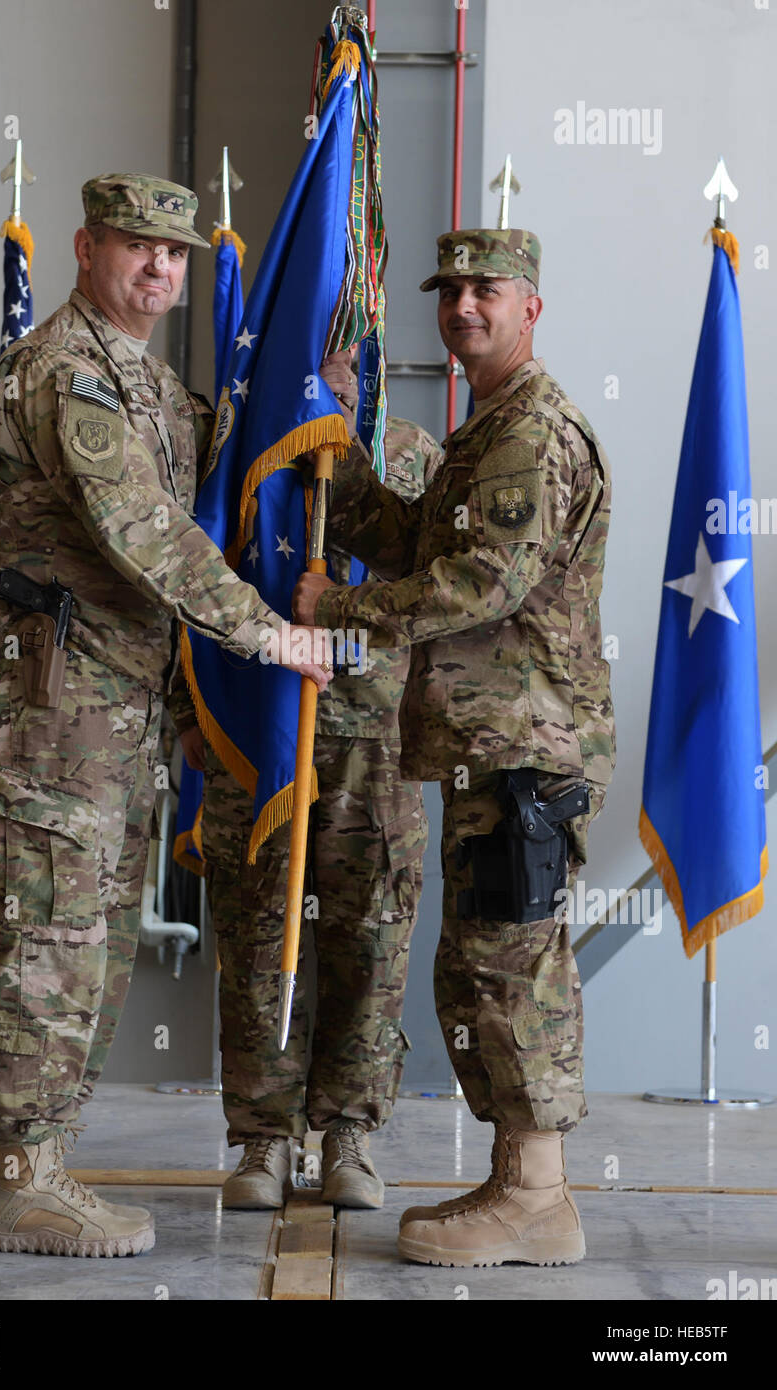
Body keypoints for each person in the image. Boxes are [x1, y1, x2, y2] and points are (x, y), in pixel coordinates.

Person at [0, 172, 331, 1258]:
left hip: (115, 714)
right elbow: (145, 533)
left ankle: (46, 1165)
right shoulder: (65, 372)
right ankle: (20, 1178)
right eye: (137, 248)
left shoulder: (154, 389)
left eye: (176, 257)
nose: (160, 270)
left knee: (97, 943)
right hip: (53, 711)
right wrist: (267, 634)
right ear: (85, 249)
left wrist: (318, 400)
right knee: (49, 939)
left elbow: (232, 473)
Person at [294, 229, 615, 1267]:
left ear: (531, 305)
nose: (464, 306)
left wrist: (336, 604)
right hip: (489, 746)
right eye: (453, 290)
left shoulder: (530, 432)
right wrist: (336, 452)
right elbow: (418, 545)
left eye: (488, 290)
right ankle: (517, 1180)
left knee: (511, 968)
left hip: (524, 742)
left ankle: (537, 1198)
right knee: (482, 963)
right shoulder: (484, 432)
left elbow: (485, 582)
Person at [170, 418, 440, 1211]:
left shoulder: (415, 456)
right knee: (254, 931)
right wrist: (188, 706)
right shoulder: (248, 442)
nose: (337, 359)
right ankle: (264, 1135)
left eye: (352, 339)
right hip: (259, 738)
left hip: (376, 741)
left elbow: (449, 594)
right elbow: (185, 575)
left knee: (372, 939)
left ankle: (348, 1132)